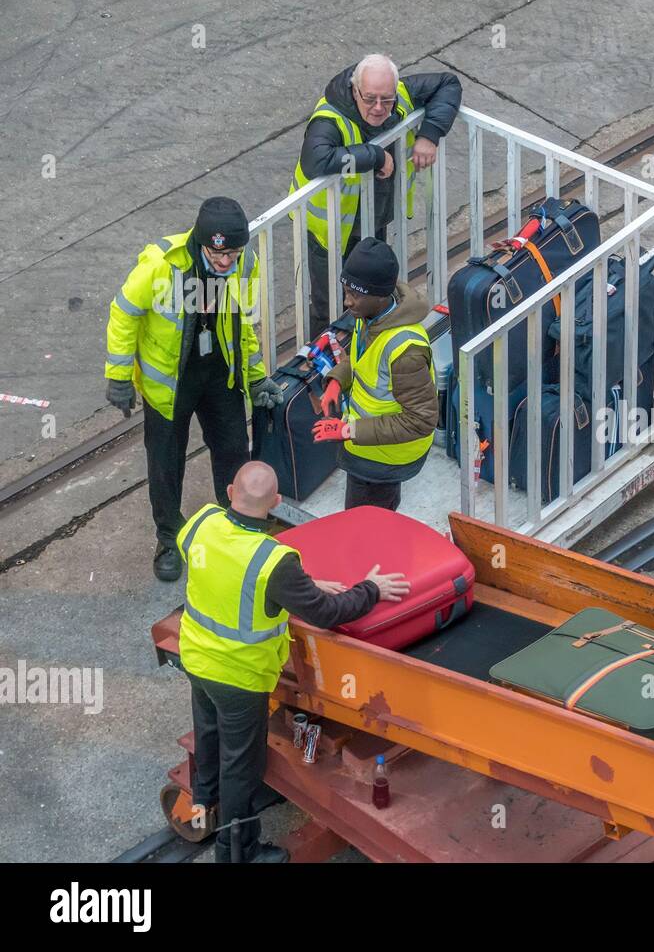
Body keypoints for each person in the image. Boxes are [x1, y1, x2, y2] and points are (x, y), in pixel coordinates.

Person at [177, 461, 410, 862]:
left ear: (231, 492)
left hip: (196, 658)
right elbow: (326, 613)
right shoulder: (274, 560)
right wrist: (371, 589)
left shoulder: (201, 522)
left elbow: (221, 567)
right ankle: (237, 854)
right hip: (239, 677)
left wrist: (296, 586)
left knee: (209, 738)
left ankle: (203, 804)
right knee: (241, 767)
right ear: (278, 503)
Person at [105, 197, 284, 582]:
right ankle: (169, 536)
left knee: (234, 449)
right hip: (171, 383)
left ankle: (238, 525)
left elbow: (244, 327)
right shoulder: (160, 265)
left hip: (220, 374)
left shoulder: (245, 264)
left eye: (232, 253)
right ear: (201, 243)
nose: (225, 263)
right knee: (166, 462)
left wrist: (254, 376)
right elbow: (123, 313)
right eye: (216, 254)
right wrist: (118, 376)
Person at [291, 52, 461, 337]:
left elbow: (448, 83)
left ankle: (365, 348)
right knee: (331, 306)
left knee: (371, 294)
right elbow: (314, 161)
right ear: (355, 90)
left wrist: (429, 134)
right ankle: (323, 368)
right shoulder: (330, 119)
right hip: (330, 231)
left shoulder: (400, 94)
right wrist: (374, 156)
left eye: (387, 99)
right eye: (369, 98)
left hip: (373, 219)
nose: (379, 107)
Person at [311, 238, 439, 511]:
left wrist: (348, 430)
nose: (347, 301)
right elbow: (360, 362)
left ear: (380, 296)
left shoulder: (407, 352)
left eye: (354, 295)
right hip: (365, 444)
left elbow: (420, 420)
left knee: (368, 534)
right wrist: (336, 380)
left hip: (385, 459)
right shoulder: (371, 316)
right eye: (345, 291)